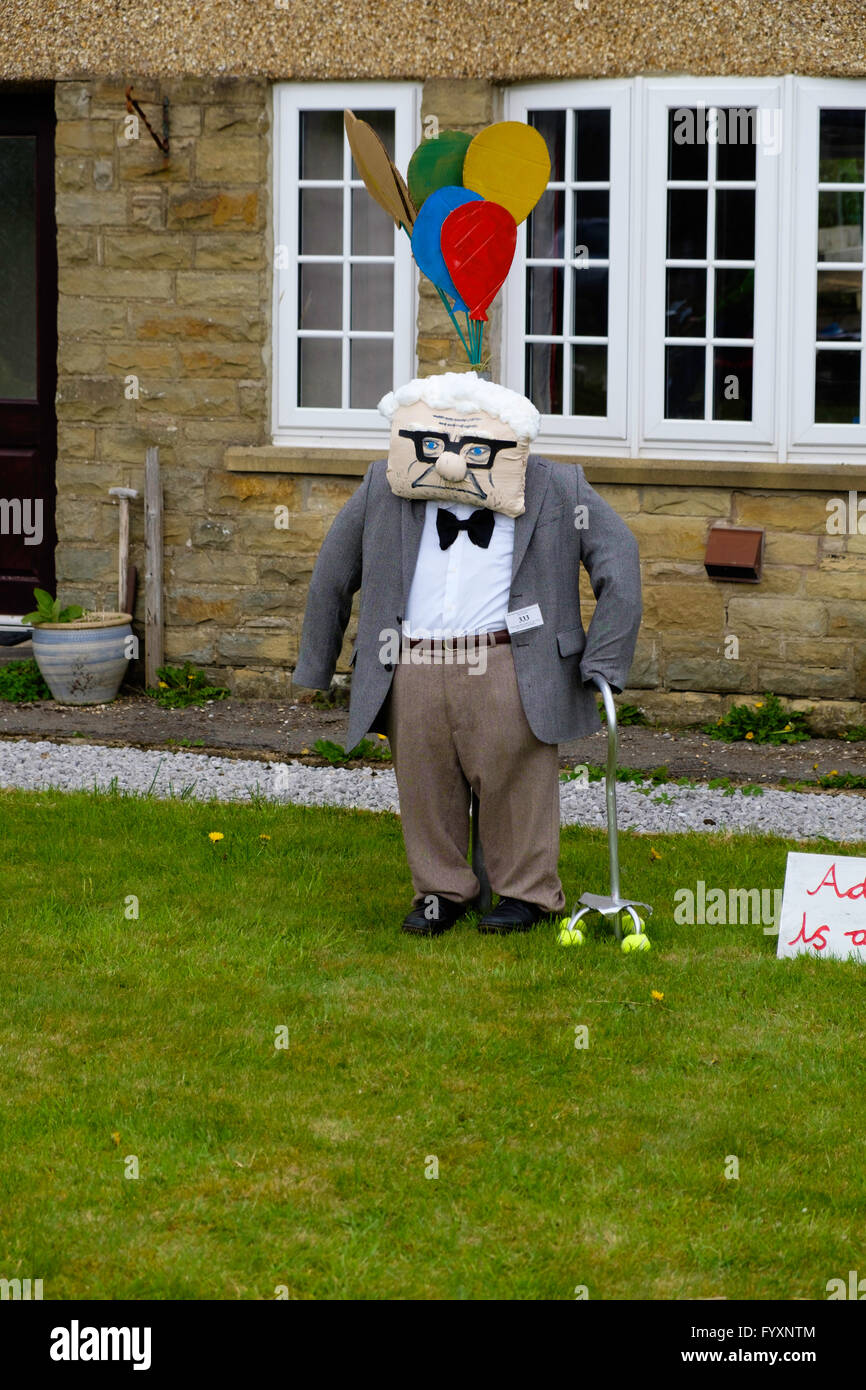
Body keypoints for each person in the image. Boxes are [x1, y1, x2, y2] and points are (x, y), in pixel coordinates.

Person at [294, 372, 642, 936]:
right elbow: (334, 570)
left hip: (510, 658)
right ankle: (440, 891)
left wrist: (601, 662)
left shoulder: (556, 486)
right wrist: (316, 663)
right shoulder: (385, 485)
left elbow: (619, 561)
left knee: (519, 782)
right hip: (411, 660)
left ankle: (525, 894)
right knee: (426, 785)